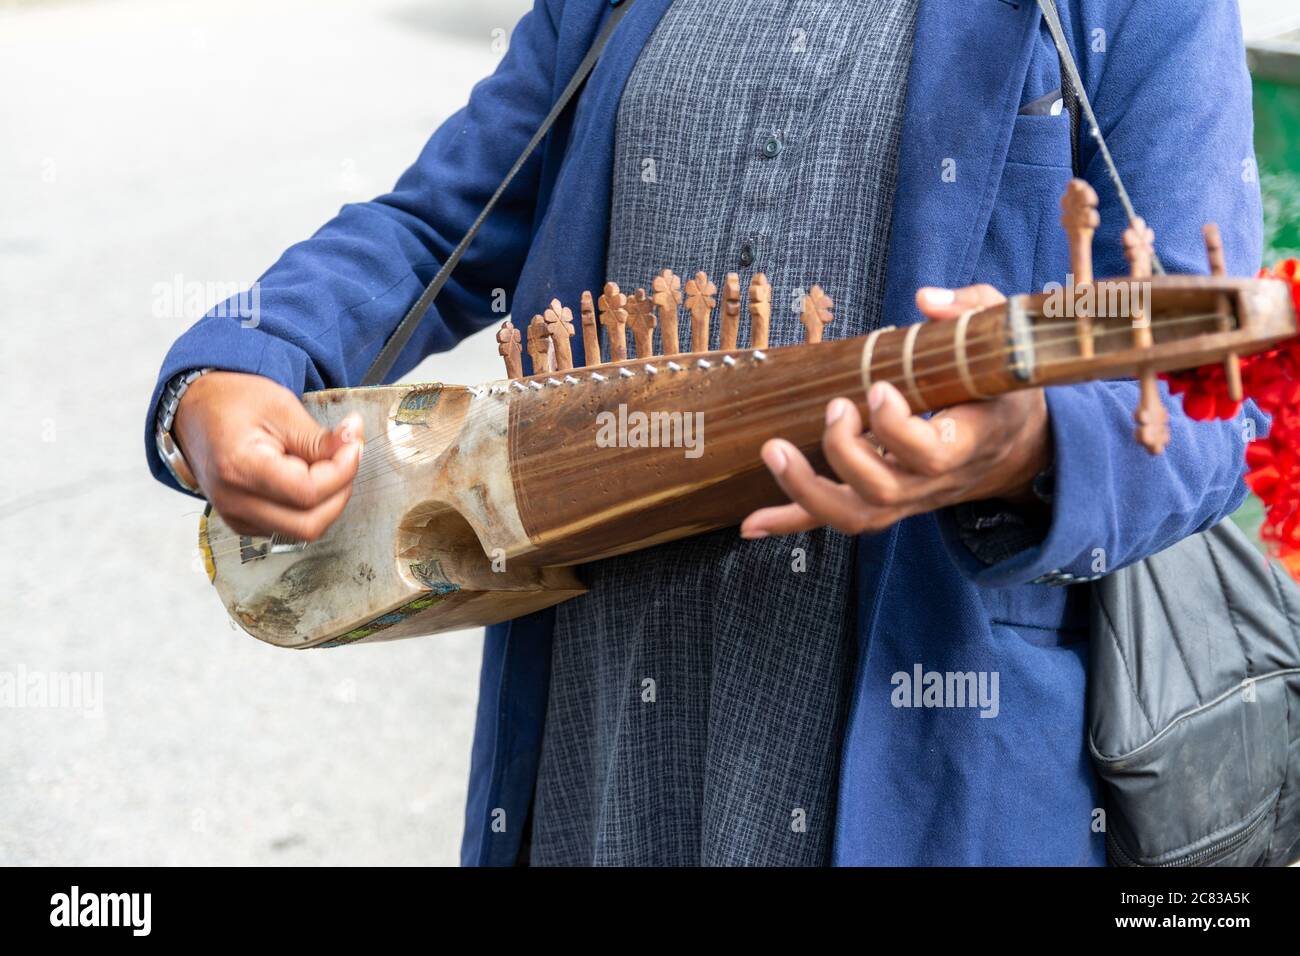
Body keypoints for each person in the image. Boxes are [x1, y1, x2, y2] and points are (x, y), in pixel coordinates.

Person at [147, 0, 1264, 865]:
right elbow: (442, 220)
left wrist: (1028, 446)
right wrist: (238, 363)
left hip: (919, 752)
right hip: (602, 731)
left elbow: (1219, 403)